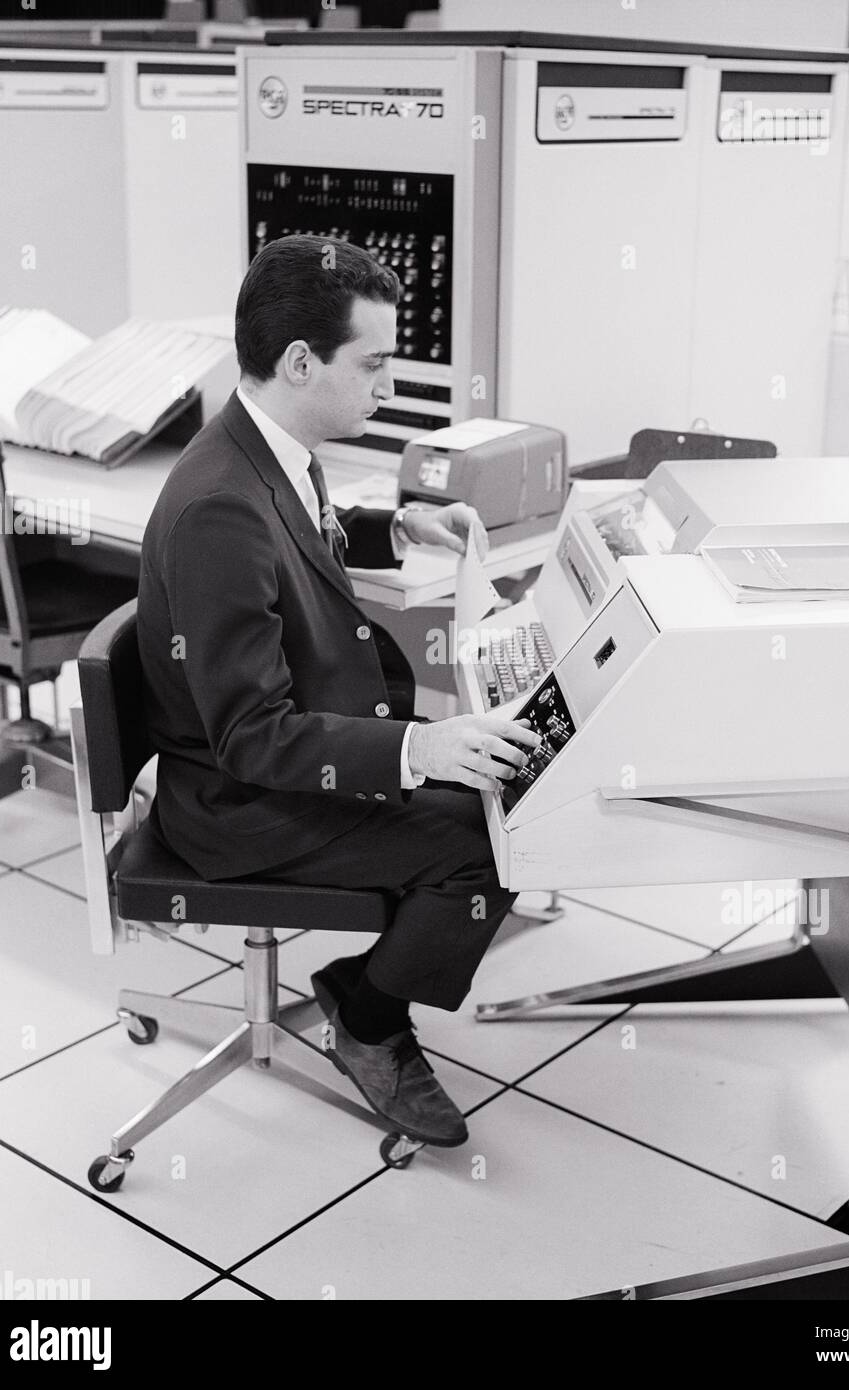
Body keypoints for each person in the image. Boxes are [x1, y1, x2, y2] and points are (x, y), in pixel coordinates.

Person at [137, 234, 541, 1147]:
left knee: (498, 790)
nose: (386, 387)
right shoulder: (217, 508)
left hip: (273, 759)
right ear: (298, 361)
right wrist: (417, 749)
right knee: (487, 838)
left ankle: (379, 985)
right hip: (239, 802)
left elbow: (291, 537)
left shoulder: (268, 445)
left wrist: (393, 523)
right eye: (373, 364)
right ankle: (365, 1017)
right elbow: (251, 737)